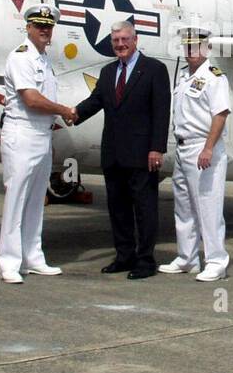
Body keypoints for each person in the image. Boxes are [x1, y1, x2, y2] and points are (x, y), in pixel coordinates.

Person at [73, 21, 170, 279]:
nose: (120, 45)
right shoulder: (107, 72)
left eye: (125, 39)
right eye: (116, 41)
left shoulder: (154, 69)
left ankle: (146, 260)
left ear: (135, 40)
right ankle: (124, 256)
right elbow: (95, 102)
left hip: (142, 154)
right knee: (118, 209)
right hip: (113, 153)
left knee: (145, 209)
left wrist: (157, 148)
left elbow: (161, 112)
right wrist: (71, 113)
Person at [0, 4, 76, 284]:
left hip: (41, 135)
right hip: (22, 133)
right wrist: (65, 110)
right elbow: (31, 99)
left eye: (48, 26)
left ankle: (33, 257)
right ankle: (9, 262)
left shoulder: (43, 59)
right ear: (28, 27)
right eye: (39, 25)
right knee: (16, 199)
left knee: (35, 202)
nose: (44, 30)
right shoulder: (22, 57)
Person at [161, 29, 231, 281]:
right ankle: (186, 258)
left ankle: (216, 261)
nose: (191, 51)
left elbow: (220, 114)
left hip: (203, 147)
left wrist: (209, 148)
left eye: (196, 46)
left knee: (208, 206)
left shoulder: (215, 77)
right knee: (184, 206)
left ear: (207, 48)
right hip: (182, 146)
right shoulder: (183, 76)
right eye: (187, 46)